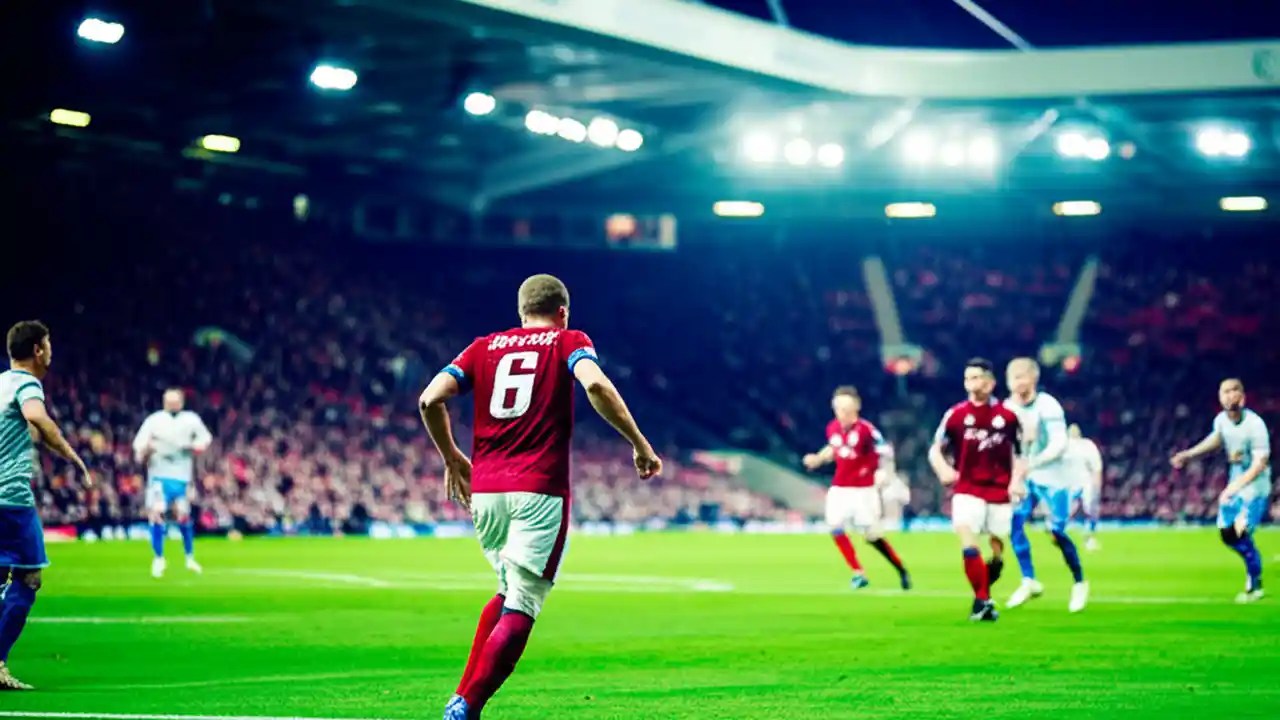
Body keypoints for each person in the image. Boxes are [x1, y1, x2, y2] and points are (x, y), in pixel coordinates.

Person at [418, 274, 662, 720]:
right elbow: (595, 385)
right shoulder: (568, 341)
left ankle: (461, 697)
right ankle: (466, 707)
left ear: (520, 312)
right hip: (539, 488)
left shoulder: (482, 347)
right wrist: (640, 444)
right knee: (524, 603)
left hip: (487, 492)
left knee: (508, 590)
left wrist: (453, 458)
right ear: (562, 312)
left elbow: (429, 399)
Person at [0, 321, 91, 691]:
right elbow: (37, 417)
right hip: (10, 498)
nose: (51, 351)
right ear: (38, 349)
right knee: (29, 576)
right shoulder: (25, 384)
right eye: (49, 345)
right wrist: (73, 458)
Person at [929, 358, 1025, 622]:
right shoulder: (956, 415)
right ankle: (984, 601)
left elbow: (1020, 454)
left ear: (991, 382)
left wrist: (1017, 479)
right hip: (967, 489)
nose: (970, 383)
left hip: (998, 491)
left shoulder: (1007, 417)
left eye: (976, 378)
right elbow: (935, 448)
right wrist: (943, 470)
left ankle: (981, 597)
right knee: (969, 543)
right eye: (967, 378)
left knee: (996, 555)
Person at [1171, 378, 1270, 603]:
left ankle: (1255, 584)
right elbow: (1215, 440)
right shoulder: (1222, 421)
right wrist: (1189, 455)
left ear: (1242, 396)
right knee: (1227, 535)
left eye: (1234, 391)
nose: (1229, 395)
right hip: (1234, 484)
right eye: (1225, 391)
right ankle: (1252, 566)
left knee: (1241, 531)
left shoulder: (1255, 425)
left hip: (1255, 488)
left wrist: (1236, 486)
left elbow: (1259, 464)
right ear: (1220, 396)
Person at [1003, 358, 1089, 613]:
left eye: (1022, 376)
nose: (1018, 381)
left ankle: (1079, 582)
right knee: (1014, 522)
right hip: (1028, 476)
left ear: (1033, 378)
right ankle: (1029, 580)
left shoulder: (1047, 405)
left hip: (1055, 476)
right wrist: (1013, 475)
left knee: (1057, 531)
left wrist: (1035, 462)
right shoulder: (1007, 408)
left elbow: (1059, 442)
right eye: (1013, 377)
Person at [802, 386, 910, 590]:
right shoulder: (832, 427)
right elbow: (833, 448)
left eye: (845, 408)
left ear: (856, 408)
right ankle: (858, 572)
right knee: (834, 525)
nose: (841, 413)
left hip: (864, 491)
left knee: (872, 536)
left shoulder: (867, 430)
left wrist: (885, 473)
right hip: (840, 488)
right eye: (838, 408)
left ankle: (900, 568)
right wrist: (818, 458)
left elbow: (886, 452)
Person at [133, 388, 212, 578]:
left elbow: (205, 438)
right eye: (168, 401)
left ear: (182, 402)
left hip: (182, 477)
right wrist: (146, 450)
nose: (172, 405)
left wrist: (196, 446)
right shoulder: (154, 420)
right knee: (157, 513)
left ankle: (189, 557)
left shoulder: (190, 419)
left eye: (175, 401)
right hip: (159, 476)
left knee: (183, 515)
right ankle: (159, 558)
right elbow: (139, 446)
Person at [1064, 424, 1103, 551]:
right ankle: (1060, 537)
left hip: (1086, 483)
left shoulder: (1087, 445)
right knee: (1065, 512)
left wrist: (1097, 485)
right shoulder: (1064, 445)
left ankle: (1089, 537)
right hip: (1069, 483)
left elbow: (1096, 466)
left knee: (1090, 511)